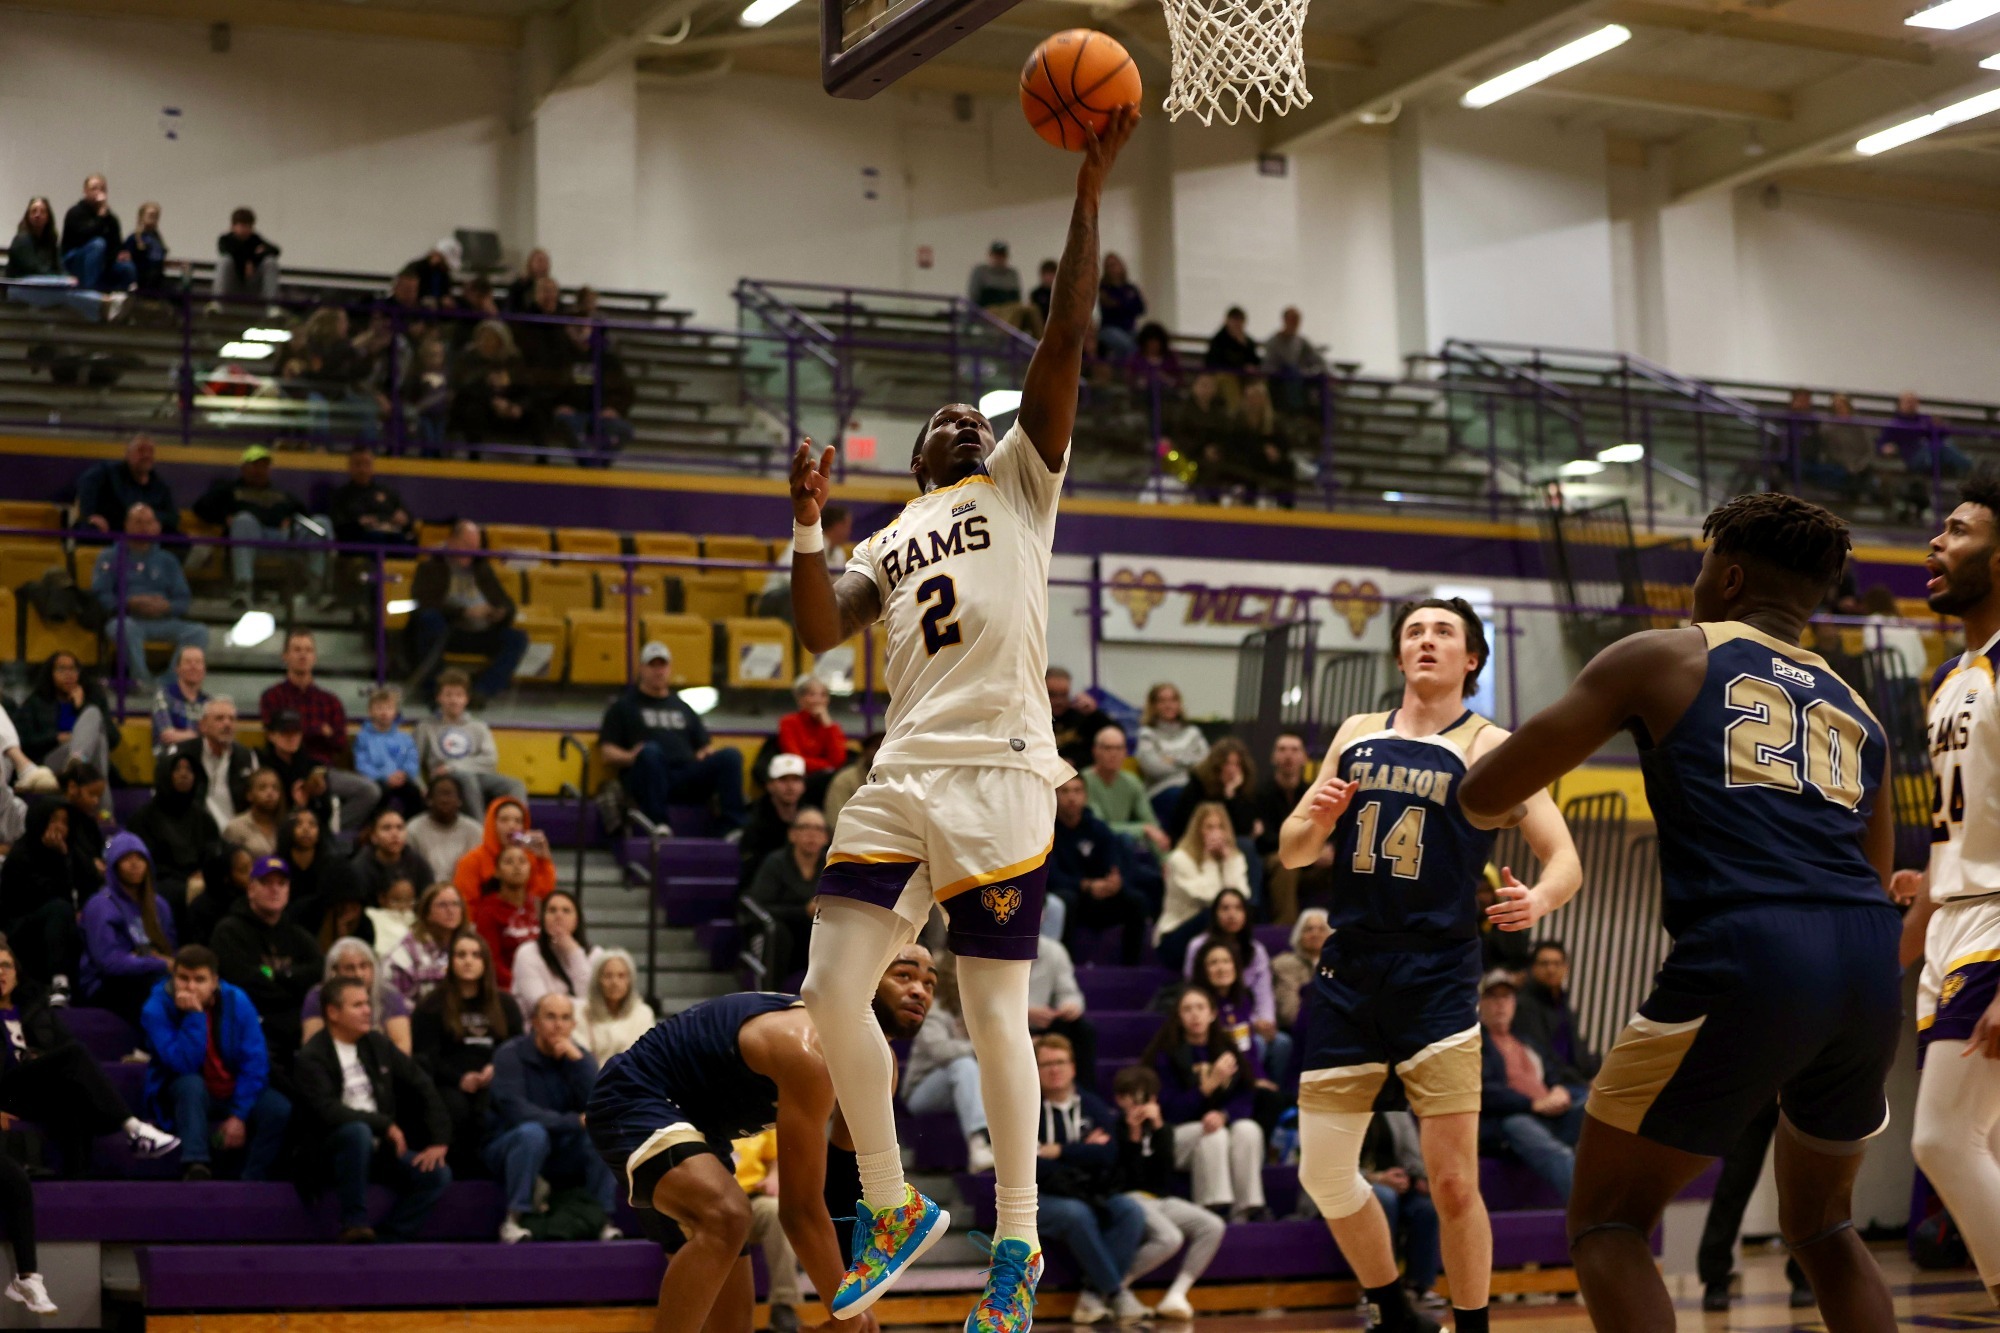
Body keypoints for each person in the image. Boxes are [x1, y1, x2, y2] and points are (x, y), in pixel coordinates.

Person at [787, 108, 1137, 1325]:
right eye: (945, 422)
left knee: (992, 1008)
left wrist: (1087, 184)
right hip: (898, 770)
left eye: (971, 415)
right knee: (831, 987)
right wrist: (801, 523)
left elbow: (1064, 329)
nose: (960, 418)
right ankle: (888, 1201)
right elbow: (819, 627)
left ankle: (1019, 1242)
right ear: (917, 459)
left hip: (996, 770)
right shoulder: (886, 534)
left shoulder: (1021, 483)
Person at [1459, 493, 1904, 1333]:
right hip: (1868, 962)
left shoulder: (1663, 657)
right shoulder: (1865, 712)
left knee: (1608, 1219)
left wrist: (1480, 792)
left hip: (1752, 946)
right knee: (1826, 1223)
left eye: (1701, 565)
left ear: (1728, 576)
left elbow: (1487, 793)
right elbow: (1872, 875)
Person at [1280, 595, 1583, 1333]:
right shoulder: (1355, 734)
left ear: (1471, 657)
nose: (1426, 640)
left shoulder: (1491, 745)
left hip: (1439, 974)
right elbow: (1292, 851)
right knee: (1322, 1174)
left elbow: (1565, 857)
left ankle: (1472, 1325)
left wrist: (1538, 900)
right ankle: (1396, 1308)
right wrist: (1313, 815)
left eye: (1443, 631)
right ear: (1399, 654)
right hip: (1350, 969)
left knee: (1452, 1180)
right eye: (1413, 630)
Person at [586, 947, 936, 1333]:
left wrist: (852, 1296)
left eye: (929, 983)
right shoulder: (810, 1050)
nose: (920, 990)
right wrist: (846, 1309)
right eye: (904, 976)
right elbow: (798, 1211)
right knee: (729, 1217)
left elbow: (839, 1189)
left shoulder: (880, 1072)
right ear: (864, 978)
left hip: (703, 1132)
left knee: (735, 1323)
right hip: (637, 1096)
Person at [1892, 471, 2000, 1311]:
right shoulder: (1949, 680)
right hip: (1952, 925)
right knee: (1975, 1138)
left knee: (1941, 1137)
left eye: (1957, 531)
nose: (1937, 541)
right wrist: (1923, 898)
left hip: (1997, 928)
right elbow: (1953, 829)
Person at [296, 975, 453, 1242]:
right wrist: (384, 1124)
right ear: (333, 1013)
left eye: (367, 1003)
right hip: (331, 1152)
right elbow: (328, 1111)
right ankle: (354, 1223)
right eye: (357, 1005)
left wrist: (439, 1139)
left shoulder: (377, 1044)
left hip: (381, 1149)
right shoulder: (312, 1056)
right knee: (356, 1131)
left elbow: (422, 1084)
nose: (368, 1010)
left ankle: (391, 1237)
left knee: (437, 1173)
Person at [0, 941, 180, 1172]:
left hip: (38, 1089)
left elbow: (65, 1047)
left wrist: (42, 1058)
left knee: (73, 1095)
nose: (1, 972)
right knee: (74, 1055)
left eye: (6, 966)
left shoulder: (35, 1008)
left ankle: (76, 1181)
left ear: (17, 973)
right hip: (7, 1092)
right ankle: (134, 1128)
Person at [142, 944, 292, 1180]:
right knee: (190, 1084)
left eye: (199, 980)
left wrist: (239, 1115)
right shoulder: (156, 1008)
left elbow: (255, 1061)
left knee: (279, 1109)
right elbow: (182, 1064)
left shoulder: (237, 1001)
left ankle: (253, 1178)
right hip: (182, 1090)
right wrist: (194, 1016)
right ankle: (196, 1164)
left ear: (215, 982)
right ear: (173, 977)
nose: (190, 987)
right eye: (183, 978)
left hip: (232, 1086)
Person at [1032, 1033, 1148, 1324]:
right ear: (1035, 1069)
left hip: (1089, 1190)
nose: (1054, 1069)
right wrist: (1084, 1151)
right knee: (1076, 1215)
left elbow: (1109, 1155)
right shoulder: (1028, 1108)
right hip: (1040, 1197)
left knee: (1131, 1211)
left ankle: (1093, 1296)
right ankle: (1117, 1292)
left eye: (1059, 1062)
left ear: (1072, 1066)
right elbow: (1030, 1166)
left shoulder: (1092, 1105)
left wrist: (1058, 1151)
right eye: (1045, 1064)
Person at [486, 993, 620, 1243]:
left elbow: (601, 1107)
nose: (558, 1025)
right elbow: (517, 1112)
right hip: (510, 1146)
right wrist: (572, 1122)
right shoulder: (510, 1055)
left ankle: (601, 1218)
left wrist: (580, 1063)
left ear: (573, 1025)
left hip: (561, 1150)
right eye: (550, 1017)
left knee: (604, 1134)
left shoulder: (577, 1057)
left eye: (565, 1018)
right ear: (534, 1022)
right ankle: (514, 1219)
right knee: (532, 1133)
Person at [1109, 1065, 1222, 1320]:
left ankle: (1177, 1294)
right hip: (1127, 1199)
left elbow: (1163, 1177)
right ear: (1119, 1099)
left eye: (1145, 1097)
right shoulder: (1114, 1127)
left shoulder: (1163, 1130)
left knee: (1212, 1225)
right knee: (1169, 1237)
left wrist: (1158, 1127)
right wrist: (1133, 1136)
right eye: (1132, 1097)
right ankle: (1112, 1286)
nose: (1139, 1104)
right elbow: (1124, 1179)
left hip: (1158, 1199)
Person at [597, 641, 747, 832]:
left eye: (663, 665)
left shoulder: (683, 706)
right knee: (651, 751)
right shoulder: (623, 706)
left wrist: (705, 753)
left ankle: (733, 827)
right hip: (647, 776)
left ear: (669, 669)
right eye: (653, 665)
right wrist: (632, 757)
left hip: (684, 775)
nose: (658, 671)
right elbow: (607, 753)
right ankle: (658, 823)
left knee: (730, 756)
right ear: (641, 669)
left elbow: (703, 745)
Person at [1145, 986, 1267, 1220]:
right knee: (1215, 1135)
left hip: (1215, 1127)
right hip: (1176, 1135)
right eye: (1187, 1009)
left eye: (1200, 1008)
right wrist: (1206, 1087)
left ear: (1212, 1014)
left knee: (1248, 1129)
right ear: (1179, 1017)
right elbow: (1169, 1111)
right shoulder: (1165, 1054)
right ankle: (1213, 1210)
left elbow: (1246, 1095)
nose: (1195, 1014)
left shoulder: (1226, 1048)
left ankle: (1246, 1209)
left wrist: (1225, 1114)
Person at [412, 930, 522, 1175]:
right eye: (461, 955)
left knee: (492, 1106)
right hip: (448, 1082)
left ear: (485, 962)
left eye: (475, 955)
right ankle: (459, 1176)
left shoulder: (506, 1005)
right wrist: (459, 1079)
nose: (468, 960)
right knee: (457, 1107)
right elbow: (425, 1057)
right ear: (450, 962)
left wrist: (497, 1068)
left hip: (495, 1080)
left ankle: (494, 1170)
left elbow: (517, 1050)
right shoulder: (431, 1005)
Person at [1476, 970, 1585, 1201]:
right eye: (1493, 998)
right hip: (1513, 1120)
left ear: (1514, 1003)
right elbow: (1485, 1091)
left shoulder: (1526, 1040)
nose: (1500, 1004)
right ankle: (1588, 1208)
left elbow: (1554, 1071)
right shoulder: (1477, 1044)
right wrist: (1533, 1103)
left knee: (1595, 1104)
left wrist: (1559, 1089)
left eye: (1506, 998)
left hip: (1552, 1116)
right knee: (1528, 1131)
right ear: (1480, 1004)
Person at [210, 856, 324, 1066]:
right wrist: (294, 985)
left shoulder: (299, 936)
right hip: (250, 1024)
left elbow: (318, 973)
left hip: (295, 1024)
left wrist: (279, 975)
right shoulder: (229, 931)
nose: (275, 890)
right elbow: (244, 981)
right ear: (251, 889)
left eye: (281, 884)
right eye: (266, 883)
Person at [261, 630, 380, 823]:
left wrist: (304, 732)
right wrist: (319, 731)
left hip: (322, 771)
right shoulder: (272, 696)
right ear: (285, 656)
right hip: (283, 768)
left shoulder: (330, 701)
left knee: (369, 790)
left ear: (314, 657)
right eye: (297, 649)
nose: (303, 655)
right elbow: (272, 736)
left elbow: (339, 743)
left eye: (308, 650)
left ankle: (329, 828)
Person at [407, 521, 529, 702]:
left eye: (475, 547)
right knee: (430, 620)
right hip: (447, 629)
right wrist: (463, 611)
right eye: (466, 545)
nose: (471, 551)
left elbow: (505, 602)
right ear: (452, 541)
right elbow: (424, 603)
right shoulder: (431, 566)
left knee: (517, 638)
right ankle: (438, 690)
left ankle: (481, 692)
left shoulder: (482, 567)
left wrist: (501, 612)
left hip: (480, 631)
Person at [192, 446, 331, 605]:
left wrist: (291, 521)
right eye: (255, 465)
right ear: (244, 468)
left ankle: (317, 592)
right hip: (252, 539)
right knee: (243, 520)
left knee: (322, 523)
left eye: (264, 466)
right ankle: (243, 590)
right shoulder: (230, 490)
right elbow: (200, 508)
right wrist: (224, 519)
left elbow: (303, 515)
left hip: (283, 539)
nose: (259, 470)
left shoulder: (280, 493)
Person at [89, 504, 205, 692]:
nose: (143, 527)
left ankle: (170, 684)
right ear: (126, 525)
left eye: (148, 522)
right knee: (124, 627)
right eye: (137, 522)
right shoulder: (110, 556)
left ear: (157, 527)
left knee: (198, 632)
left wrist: (166, 606)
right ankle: (142, 681)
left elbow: (183, 599)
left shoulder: (168, 560)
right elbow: (100, 595)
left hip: (162, 621)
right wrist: (128, 603)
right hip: (127, 619)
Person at [1050, 775, 1150, 966]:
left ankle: (1131, 968)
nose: (1072, 797)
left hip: (1100, 897)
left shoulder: (1099, 828)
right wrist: (1086, 885)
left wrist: (1114, 882)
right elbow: (1052, 877)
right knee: (1065, 900)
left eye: (1077, 791)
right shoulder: (1046, 830)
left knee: (1137, 901)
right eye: (1065, 791)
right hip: (1074, 898)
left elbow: (1114, 863)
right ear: (1054, 796)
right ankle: (1066, 967)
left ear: (1086, 796)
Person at [905, 965, 995, 1174]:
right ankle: (977, 1145)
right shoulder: (934, 1009)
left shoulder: (983, 1008)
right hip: (924, 1089)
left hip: (967, 1086)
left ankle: (1020, 1140)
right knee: (963, 1064)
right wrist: (981, 1047)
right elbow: (940, 1050)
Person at [79, 833, 176, 1025]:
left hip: (148, 975)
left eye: (140, 858)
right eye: (126, 858)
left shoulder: (159, 905)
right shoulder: (100, 905)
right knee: (158, 991)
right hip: (105, 984)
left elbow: (170, 950)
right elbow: (109, 962)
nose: (135, 864)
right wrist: (157, 963)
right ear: (114, 864)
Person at [0, 798, 94, 994]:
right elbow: (44, 896)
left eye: (64, 822)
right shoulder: (21, 855)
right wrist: (59, 859)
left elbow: (93, 885)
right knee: (58, 910)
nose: (59, 827)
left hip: (63, 925)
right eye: (53, 820)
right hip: (22, 928)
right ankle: (58, 981)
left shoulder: (71, 851)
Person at [1182, 890, 1282, 1072]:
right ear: (1214, 914)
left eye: (1238, 908)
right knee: (1254, 1042)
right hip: (1214, 1019)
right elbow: (1193, 989)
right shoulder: (1198, 946)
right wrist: (1251, 1024)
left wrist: (1265, 1021)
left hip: (1246, 1014)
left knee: (1282, 1043)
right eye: (1225, 908)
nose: (1232, 914)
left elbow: (1263, 993)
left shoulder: (1255, 950)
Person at [1360, 1110, 1443, 1311]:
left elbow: (1413, 1155)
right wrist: (1377, 1178)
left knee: (1427, 1208)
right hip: (1354, 1186)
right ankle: (1378, 1288)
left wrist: (1415, 1177)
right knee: (1385, 1199)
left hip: (1396, 1184)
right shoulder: (1342, 1105)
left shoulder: (1394, 1106)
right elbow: (1334, 1167)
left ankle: (1419, 1285)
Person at [415, 670, 527, 817]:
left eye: (459, 695)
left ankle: (518, 832)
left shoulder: (479, 726)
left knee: (515, 785)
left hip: (476, 774)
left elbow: (490, 760)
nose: (454, 700)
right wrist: (422, 787)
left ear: (466, 699)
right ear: (439, 698)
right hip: (443, 779)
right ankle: (480, 831)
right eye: (448, 695)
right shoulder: (425, 727)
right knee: (467, 778)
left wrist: (453, 766)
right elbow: (412, 762)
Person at [128, 748, 219, 920]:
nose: (184, 774)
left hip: (198, 879)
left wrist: (204, 872)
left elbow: (213, 851)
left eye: (189, 770)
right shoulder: (144, 817)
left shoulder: (203, 818)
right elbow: (145, 859)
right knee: (173, 894)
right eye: (177, 769)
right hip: (161, 880)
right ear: (165, 774)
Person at [1156, 803, 1248, 969]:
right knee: (1212, 914)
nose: (1215, 833)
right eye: (1209, 827)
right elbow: (1210, 899)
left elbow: (1241, 897)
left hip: (1218, 935)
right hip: (1177, 934)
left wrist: (1227, 862)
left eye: (1220, 827)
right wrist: (1210, 860)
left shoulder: (1234, 858)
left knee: (1234, 912)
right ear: (1197, 830)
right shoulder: (1179, 859)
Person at [1193, 942, 1288, 1101]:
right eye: (1213, 963)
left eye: (1226, 961)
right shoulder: (1199, 1005)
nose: (1221, 968)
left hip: (1244, 1080)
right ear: (1203, 970)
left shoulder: (1242, 999)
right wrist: (1251, 1082)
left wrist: (1260, 1078)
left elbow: (1249, 1049)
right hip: (1218, 1084)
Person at [732, 1126, 806, 1333]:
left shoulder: (756, 1111)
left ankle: (783, 1303)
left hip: (752, 1201)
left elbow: (777, 1155)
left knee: (777, 1212)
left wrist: (774, 1176)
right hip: (708, 1205)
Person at [744, 806, 828, 984]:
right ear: (792, 834)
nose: (812, 834)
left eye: (818, 829)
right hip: (779, 934)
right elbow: (759, 907)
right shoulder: (776, 863)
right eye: (805, 827)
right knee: (779, 933)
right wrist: (803, 911)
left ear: (826, 837)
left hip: (815, 933)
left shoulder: (831, 866)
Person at [1255, 733, 1328, 924]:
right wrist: (1304, 849)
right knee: (1286, 863)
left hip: (1311, 860)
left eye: (1295, 750)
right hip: (1275, 859)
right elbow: (1263, 840)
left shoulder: (1314, 792)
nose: (1288, 755)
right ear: (1273, 757)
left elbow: (1329, 829)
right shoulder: (1260, 794)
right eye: (1282, 749)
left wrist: (1326, 850)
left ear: (1304, 758)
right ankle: (1285, 931)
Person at [11, 651, 117, 780]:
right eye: (61, 669)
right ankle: (79, 760)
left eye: (73, 669)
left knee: (93, 716)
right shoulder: (36, 703)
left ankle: (78, 760)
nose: (68, 675)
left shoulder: (93, 699)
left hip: (88, 762)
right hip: (49, 763)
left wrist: (81, 708)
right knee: (96, 747)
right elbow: (22, 741)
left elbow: (113, 738)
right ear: (50, 674)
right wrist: (57, 739)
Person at [301, 937, 413, 1053]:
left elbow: (403, 1048)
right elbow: (311, 1046)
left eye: (364, 966)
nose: (359, 974)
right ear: (334, 971)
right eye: (350, 968)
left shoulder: (389, 995)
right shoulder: (318, 996)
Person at [1511, 941, 1599, 1081]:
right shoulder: (1524, 1004)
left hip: (1573, 1079)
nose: (1551, 969)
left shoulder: (1563, 1003)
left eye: (1557, 964)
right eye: (1544, 964)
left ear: (1566, 968)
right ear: (1533, 968)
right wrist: (1581, 1082)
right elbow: (1540, 1053)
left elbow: (1575, 1049)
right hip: (1548, 1082)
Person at [511, 890, 600, 1017]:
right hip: (537, 1031)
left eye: (566, 911)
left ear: (577, 920)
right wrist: (585, 1006)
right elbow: (540, 1005)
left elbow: (595, 1000)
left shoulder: (596, 955)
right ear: (542, 918)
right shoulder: (527, 953)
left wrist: (573, 951)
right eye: (552, 910)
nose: (559, 916)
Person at [174, 697, 257, 834]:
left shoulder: (246, 756)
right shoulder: (184, 754)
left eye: (231, 719)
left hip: (236, 832)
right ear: (203, 726)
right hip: (192, 831)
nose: (227, 724)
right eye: (219, 718)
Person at [453, 795, 557, 903]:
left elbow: (544, 899)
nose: (512, 826)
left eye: (518, 821)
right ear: (492, 824)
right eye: (504, 820)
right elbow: (466, 906)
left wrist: (545, 861)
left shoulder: (529, 859)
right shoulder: (471, 861)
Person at [1082, 727, 1169, 856]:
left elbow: (1150, 823)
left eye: (1119, 748)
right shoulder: (1083, 782)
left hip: (1122, 847)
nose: (1114, 753)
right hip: (1089, 846)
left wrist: (1164, 862)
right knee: (1125, 840)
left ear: (1125, 753)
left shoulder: (1132, 781)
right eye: (1108, 748)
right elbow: (1099, 827)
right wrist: (1143, 829)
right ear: (1095, 751)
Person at [1027, 932, 1096, 1095]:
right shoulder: (992, 950)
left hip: (1045, 1023)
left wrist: (1069, 1006)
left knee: (1084, 1030)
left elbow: (1069, 992)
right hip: (1009, 1025)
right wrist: (1024, 1013)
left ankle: (1084, 1096)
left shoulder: (1054, 950)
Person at [77, 434, 179, 538]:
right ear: (128, 454)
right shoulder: (107, 473)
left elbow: (173, 517)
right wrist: (89, 515)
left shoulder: (160, 486)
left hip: (149, 538)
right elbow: (86, 482)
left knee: (179, 539)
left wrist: (151, 520)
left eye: (151, 451)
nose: (147, 455)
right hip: (113, 533)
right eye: (141, 450)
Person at [1166, 738, 1260, 845]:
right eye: (1227, 763)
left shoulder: (1243, 791)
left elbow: (1244, 830)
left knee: (1245, 844)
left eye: (1237, 764)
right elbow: (1184, 825)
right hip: (1197, 843)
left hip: (1229, 846)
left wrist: (1230, 795)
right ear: (1216, 765)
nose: (1232, 770)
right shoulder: (1197, 786)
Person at [473, 845, 543, 991]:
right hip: (507, 987)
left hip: (543, 981)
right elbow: (491, 961)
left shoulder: (539, 905)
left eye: (522, 861)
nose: (517, 866)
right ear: (497, 872)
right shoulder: (488, 910)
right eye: (509, 862)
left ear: (530, 869)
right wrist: (522, 984)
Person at [386, 883, 465, 1005]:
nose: (451, 911)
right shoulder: (407, 953)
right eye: (442, 905)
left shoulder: (470, 946)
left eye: (455, 904)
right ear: (427, 914)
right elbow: (395, 1004)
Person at [353, 687, 425, 821]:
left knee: (414, 792)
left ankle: (411, 828)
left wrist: (404, 773)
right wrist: (385, 777)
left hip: (402, 779)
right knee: (379, 792)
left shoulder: (405, 738)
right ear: (370, 712)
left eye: (388, 708)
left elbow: (412, 760)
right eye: (379, 708)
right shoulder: (363, 737)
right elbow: (362, 764)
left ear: (395, 712)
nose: (384, 712)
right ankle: (376, 827)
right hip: (377, 781)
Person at [739, 754, 810, 888]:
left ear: (803, 785)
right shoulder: (754, 823)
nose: (790, 786)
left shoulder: (812, 819)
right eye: (783, 780)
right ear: (770, 785)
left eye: (796, 780)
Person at [777, 675, 847, 808]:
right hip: (800, 777)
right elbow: (796, 760)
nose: (818, 700)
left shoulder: (832, 727)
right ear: (800, 699)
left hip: (827, 780)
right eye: (812, 694)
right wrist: (827, 766)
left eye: (823, 695)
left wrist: (827, 725)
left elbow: (838, 760)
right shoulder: (788, 722)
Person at [328, 445, 415, 548]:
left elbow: (407, 518)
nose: (362, 469)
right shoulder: (341, 495)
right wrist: (359, 523)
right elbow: (337, 524)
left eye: (366, 464)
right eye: (358, 464)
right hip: (359, 542)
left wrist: (403, 518)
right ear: (350, 466)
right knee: (376, 538)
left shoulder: (386, 492)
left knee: (402, 541)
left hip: (390, 536)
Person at [60, 174, 133, 294]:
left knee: (127, 267)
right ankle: (91, 295)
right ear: (85, 191)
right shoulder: (75, 212)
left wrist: (121, 253)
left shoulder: (111, 219)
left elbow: (116, 243)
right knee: (98, 244)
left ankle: (120, 302)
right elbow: (83, 237)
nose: (98, 192)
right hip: (74, 260)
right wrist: (100, 217)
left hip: (102, 261)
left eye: (102, 189)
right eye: (94, 188)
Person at [1136, 683, 1207, 804]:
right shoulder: (1147, 735)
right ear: (1153, 706)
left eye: (1173, 700)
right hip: (1161, 791)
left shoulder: (1193, 733)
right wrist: (1190, 762)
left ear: (1179, 704)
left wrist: (1172, 760)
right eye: (1162, 701)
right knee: (1181, 796)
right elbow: (1154, 769)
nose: (1168, 705)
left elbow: (1206, 763)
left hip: (1193, 787)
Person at [407, 773, 482, 885]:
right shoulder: (413, 829)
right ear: (429, 800)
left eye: (449, 794)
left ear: (459, 801)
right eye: (440, 794)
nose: (445, 800)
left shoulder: (475, 831)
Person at [581, 950, 653, 1063]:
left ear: (630, 980)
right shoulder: (582, 1012)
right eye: (608, 976)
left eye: (621, 976)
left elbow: (643, 1056)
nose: (615, 982)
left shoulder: (643, 1014)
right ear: (598, 980)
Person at [1046, 668, 1118, 773]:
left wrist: (1094, 713)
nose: (1059, 701)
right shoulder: (1033, 719)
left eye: (1063, 694)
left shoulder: (1081, 715)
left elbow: (1115, 733)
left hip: (1081, 776)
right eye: (1052, 694)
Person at [967, 240, 1042, 336]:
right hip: (989, 310)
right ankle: (1007, 340)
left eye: (1002, 256)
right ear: (990, 255)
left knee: (1033, 309)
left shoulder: (1012, 274)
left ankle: (1041, 342)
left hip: (1011, 309)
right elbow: (973, 297)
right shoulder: (981, 271)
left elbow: (1017, 297)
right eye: (996, 255)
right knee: (1016, 310)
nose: (999, 259)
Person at [1272, 907, 1330, 1031]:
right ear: (1299, 935)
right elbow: (1289, 1014)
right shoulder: (1286, 965)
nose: (1315, 934)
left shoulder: (1340, 963)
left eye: (1321, 929)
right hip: (1303, 1029)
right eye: (1309, 929)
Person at [214, 206, 281, 304]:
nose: (245, 229)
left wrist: (253, 260)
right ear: (233, 226)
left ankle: (272, 305)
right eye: (242, 225)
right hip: (232, 283)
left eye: (248, 226)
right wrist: (247, 261)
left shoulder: (255, 239)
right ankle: (217, 302)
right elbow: (226, 251)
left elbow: (275, 250)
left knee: (270, 262)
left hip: (252, 284)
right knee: (225, 261)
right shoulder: (225, 239)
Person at [151, 645, 211, 751]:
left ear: (204, 669)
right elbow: (168, 736)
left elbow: (213, 739)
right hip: (171, 761)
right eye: (188, 662)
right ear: (177, 669)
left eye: (198, 662)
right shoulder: (164, 696)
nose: (193, 666)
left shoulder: (209, 703)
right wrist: (200, 736)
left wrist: (185, 735)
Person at [222, 768, 285, 858]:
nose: (270, 793)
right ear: (249, 795)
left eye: (275, 788)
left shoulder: (284, 825)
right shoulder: (235, 827)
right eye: (262, 788)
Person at [1096, 253, 1144, 362]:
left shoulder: (1130, 288)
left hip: (1129, 328)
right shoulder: (1104, 289)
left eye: (1115, 265)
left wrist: (1121, 304)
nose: (1113, 269)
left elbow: (1140, 308)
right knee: (1129, 346)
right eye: (1109, 266)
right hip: (1109, 329)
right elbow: (1111, 309)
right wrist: (1127, 303)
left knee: (1144, 342)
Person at [7, 196, 59, 279]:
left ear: (48, 217)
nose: (37, 215)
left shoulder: (51, 240)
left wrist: (67, 278)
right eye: (34, 211)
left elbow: (59, 265)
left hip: (44, 283)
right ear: (28, 216)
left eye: (42, 212)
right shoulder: (21, 240)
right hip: (21, 284)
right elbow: (33, 268)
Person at [123, 201, 168, 293]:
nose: (153, 218)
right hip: (141, 279)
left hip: (158, 278)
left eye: (156, 216)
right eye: (150, 215)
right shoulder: (134, 239)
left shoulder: (158, 240)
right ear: (141, 217)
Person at [1203, 307, 1257, 376]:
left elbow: (1254, 362)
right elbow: (1213, 361)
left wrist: (1244, 346)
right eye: (1234, 320)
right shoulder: (1219, 340)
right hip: (1224, 375)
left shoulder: (1248, 342)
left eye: (1240, 321)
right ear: (1227, 321)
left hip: (1245, 377)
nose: (1237, 324)